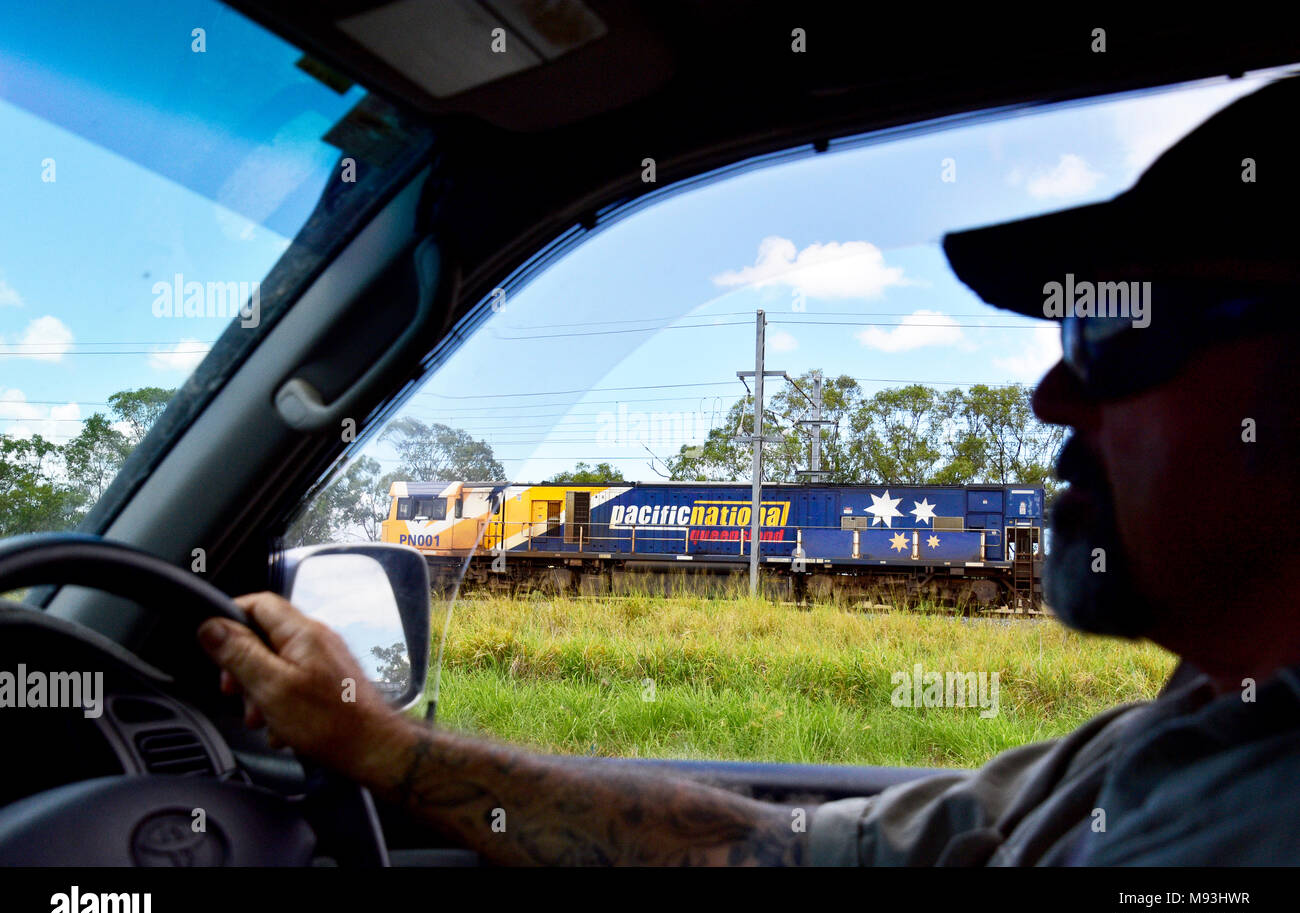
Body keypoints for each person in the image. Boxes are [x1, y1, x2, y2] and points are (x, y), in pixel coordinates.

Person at [197, 77, 1300, 865]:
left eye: (1115, 335)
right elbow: (773, 843)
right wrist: (383, 745)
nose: (1051, 398)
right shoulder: (1148, 745)